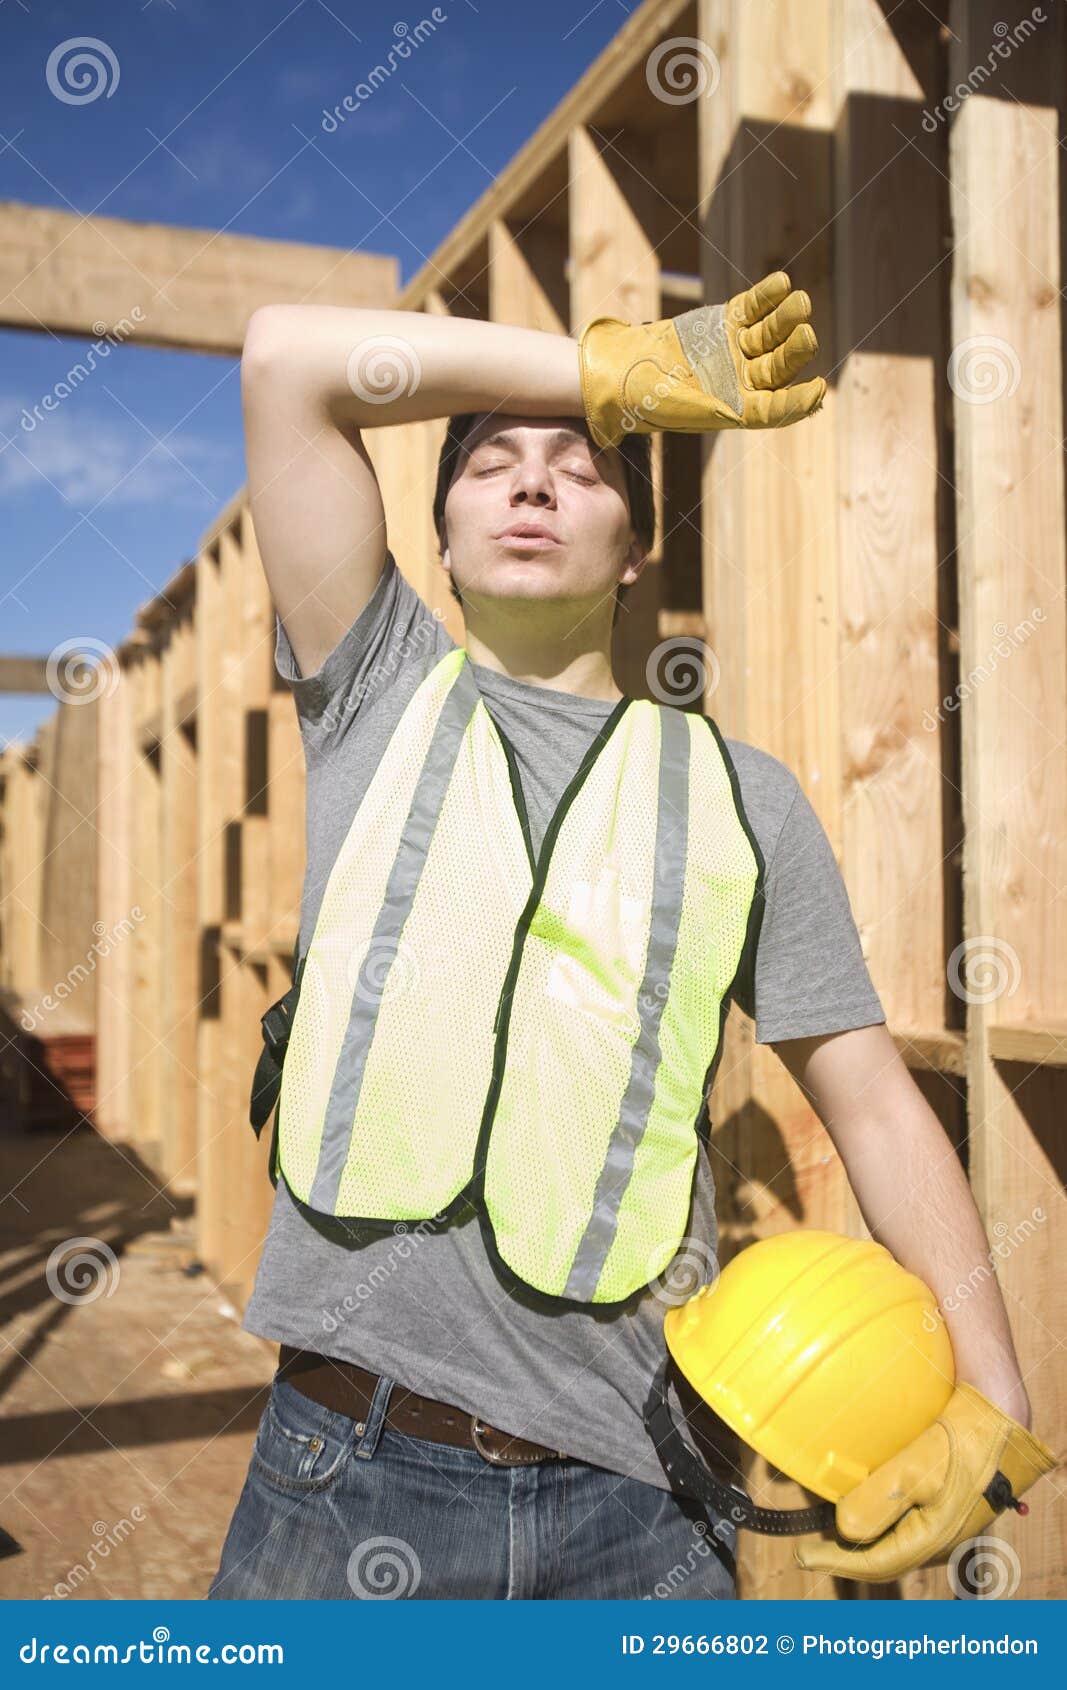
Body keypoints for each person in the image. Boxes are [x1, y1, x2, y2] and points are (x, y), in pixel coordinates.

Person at [208, 283, 1033, 1600]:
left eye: (583, 468)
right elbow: (283, 358)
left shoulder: (744, 797)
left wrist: (994, 1396)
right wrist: (613, 375)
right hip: (352, 1463)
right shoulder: (372, 687)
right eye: (491, 464)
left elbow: (872, 1099)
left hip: (645, 1503)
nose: (534, 486)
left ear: (638, 549)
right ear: (443, 534)